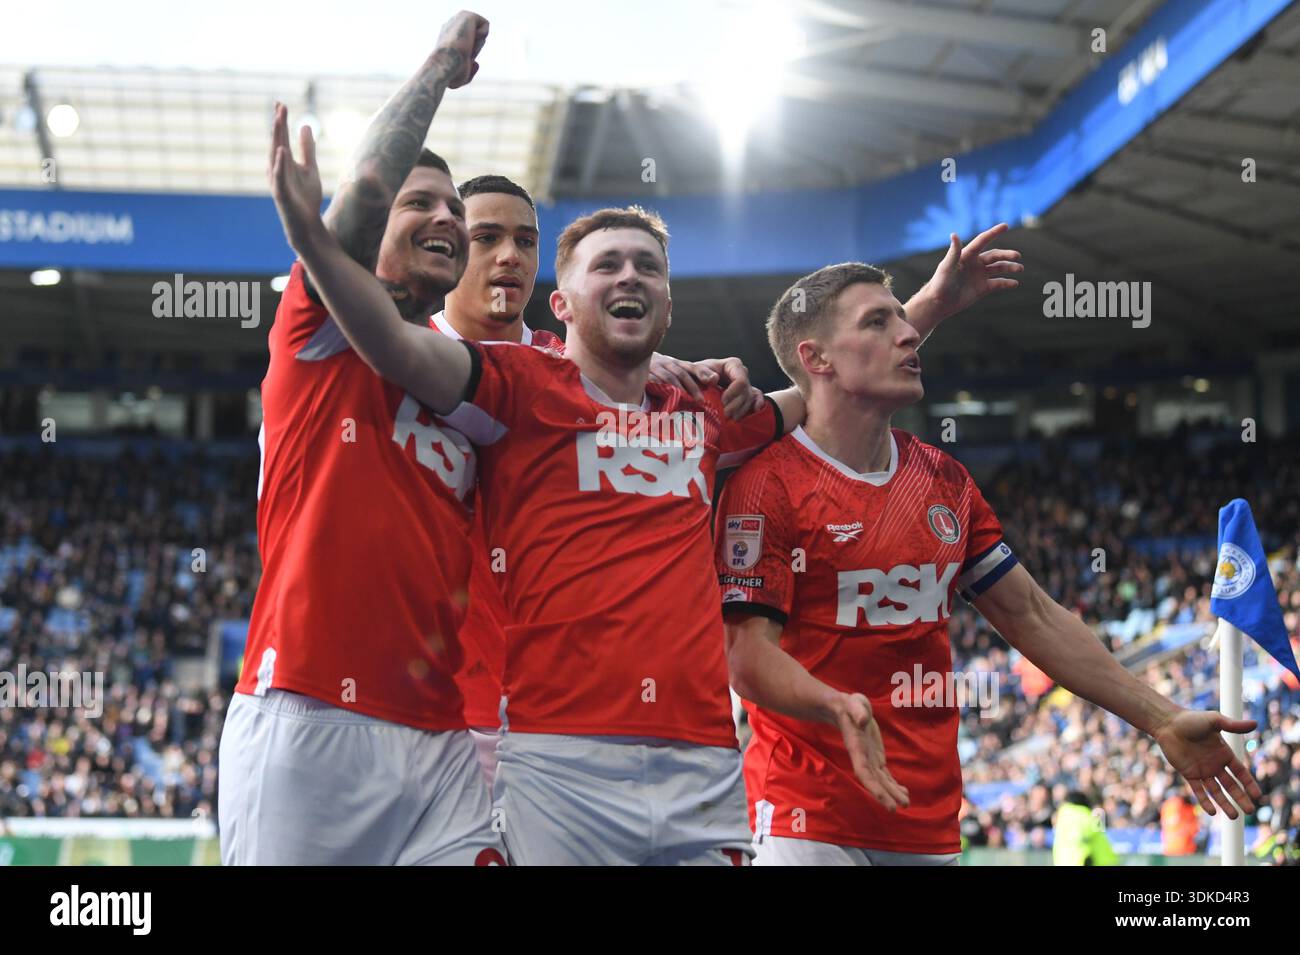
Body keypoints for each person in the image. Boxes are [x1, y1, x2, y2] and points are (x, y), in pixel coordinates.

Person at [265, 110, 1016, 866]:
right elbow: (396, 343)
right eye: (605, 265)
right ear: (559, 307)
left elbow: (827, 387)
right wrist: (317, 246)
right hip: (530, 751)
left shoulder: (697, 406)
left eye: (648, 267)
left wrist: (923, 312)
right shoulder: (513, 384)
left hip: (698, 761)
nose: (629, 276)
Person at [716, 260, 1264, 865]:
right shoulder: (767, 485)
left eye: (903, 317)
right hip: (803, 808)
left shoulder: (942, 479)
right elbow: (746, 656)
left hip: (925, 813)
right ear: (816, 359)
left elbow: (1032, 614)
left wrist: (1162, 718)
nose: (906, 334)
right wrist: (835, 705)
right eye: (878, 322)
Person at [218, 10, 507, 865]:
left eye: (456, 208)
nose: (447, 218)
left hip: (440, 732)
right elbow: (365, 197)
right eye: (422, 204)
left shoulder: (471, 374)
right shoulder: (315, 324)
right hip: (308, 718)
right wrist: (439, 71)